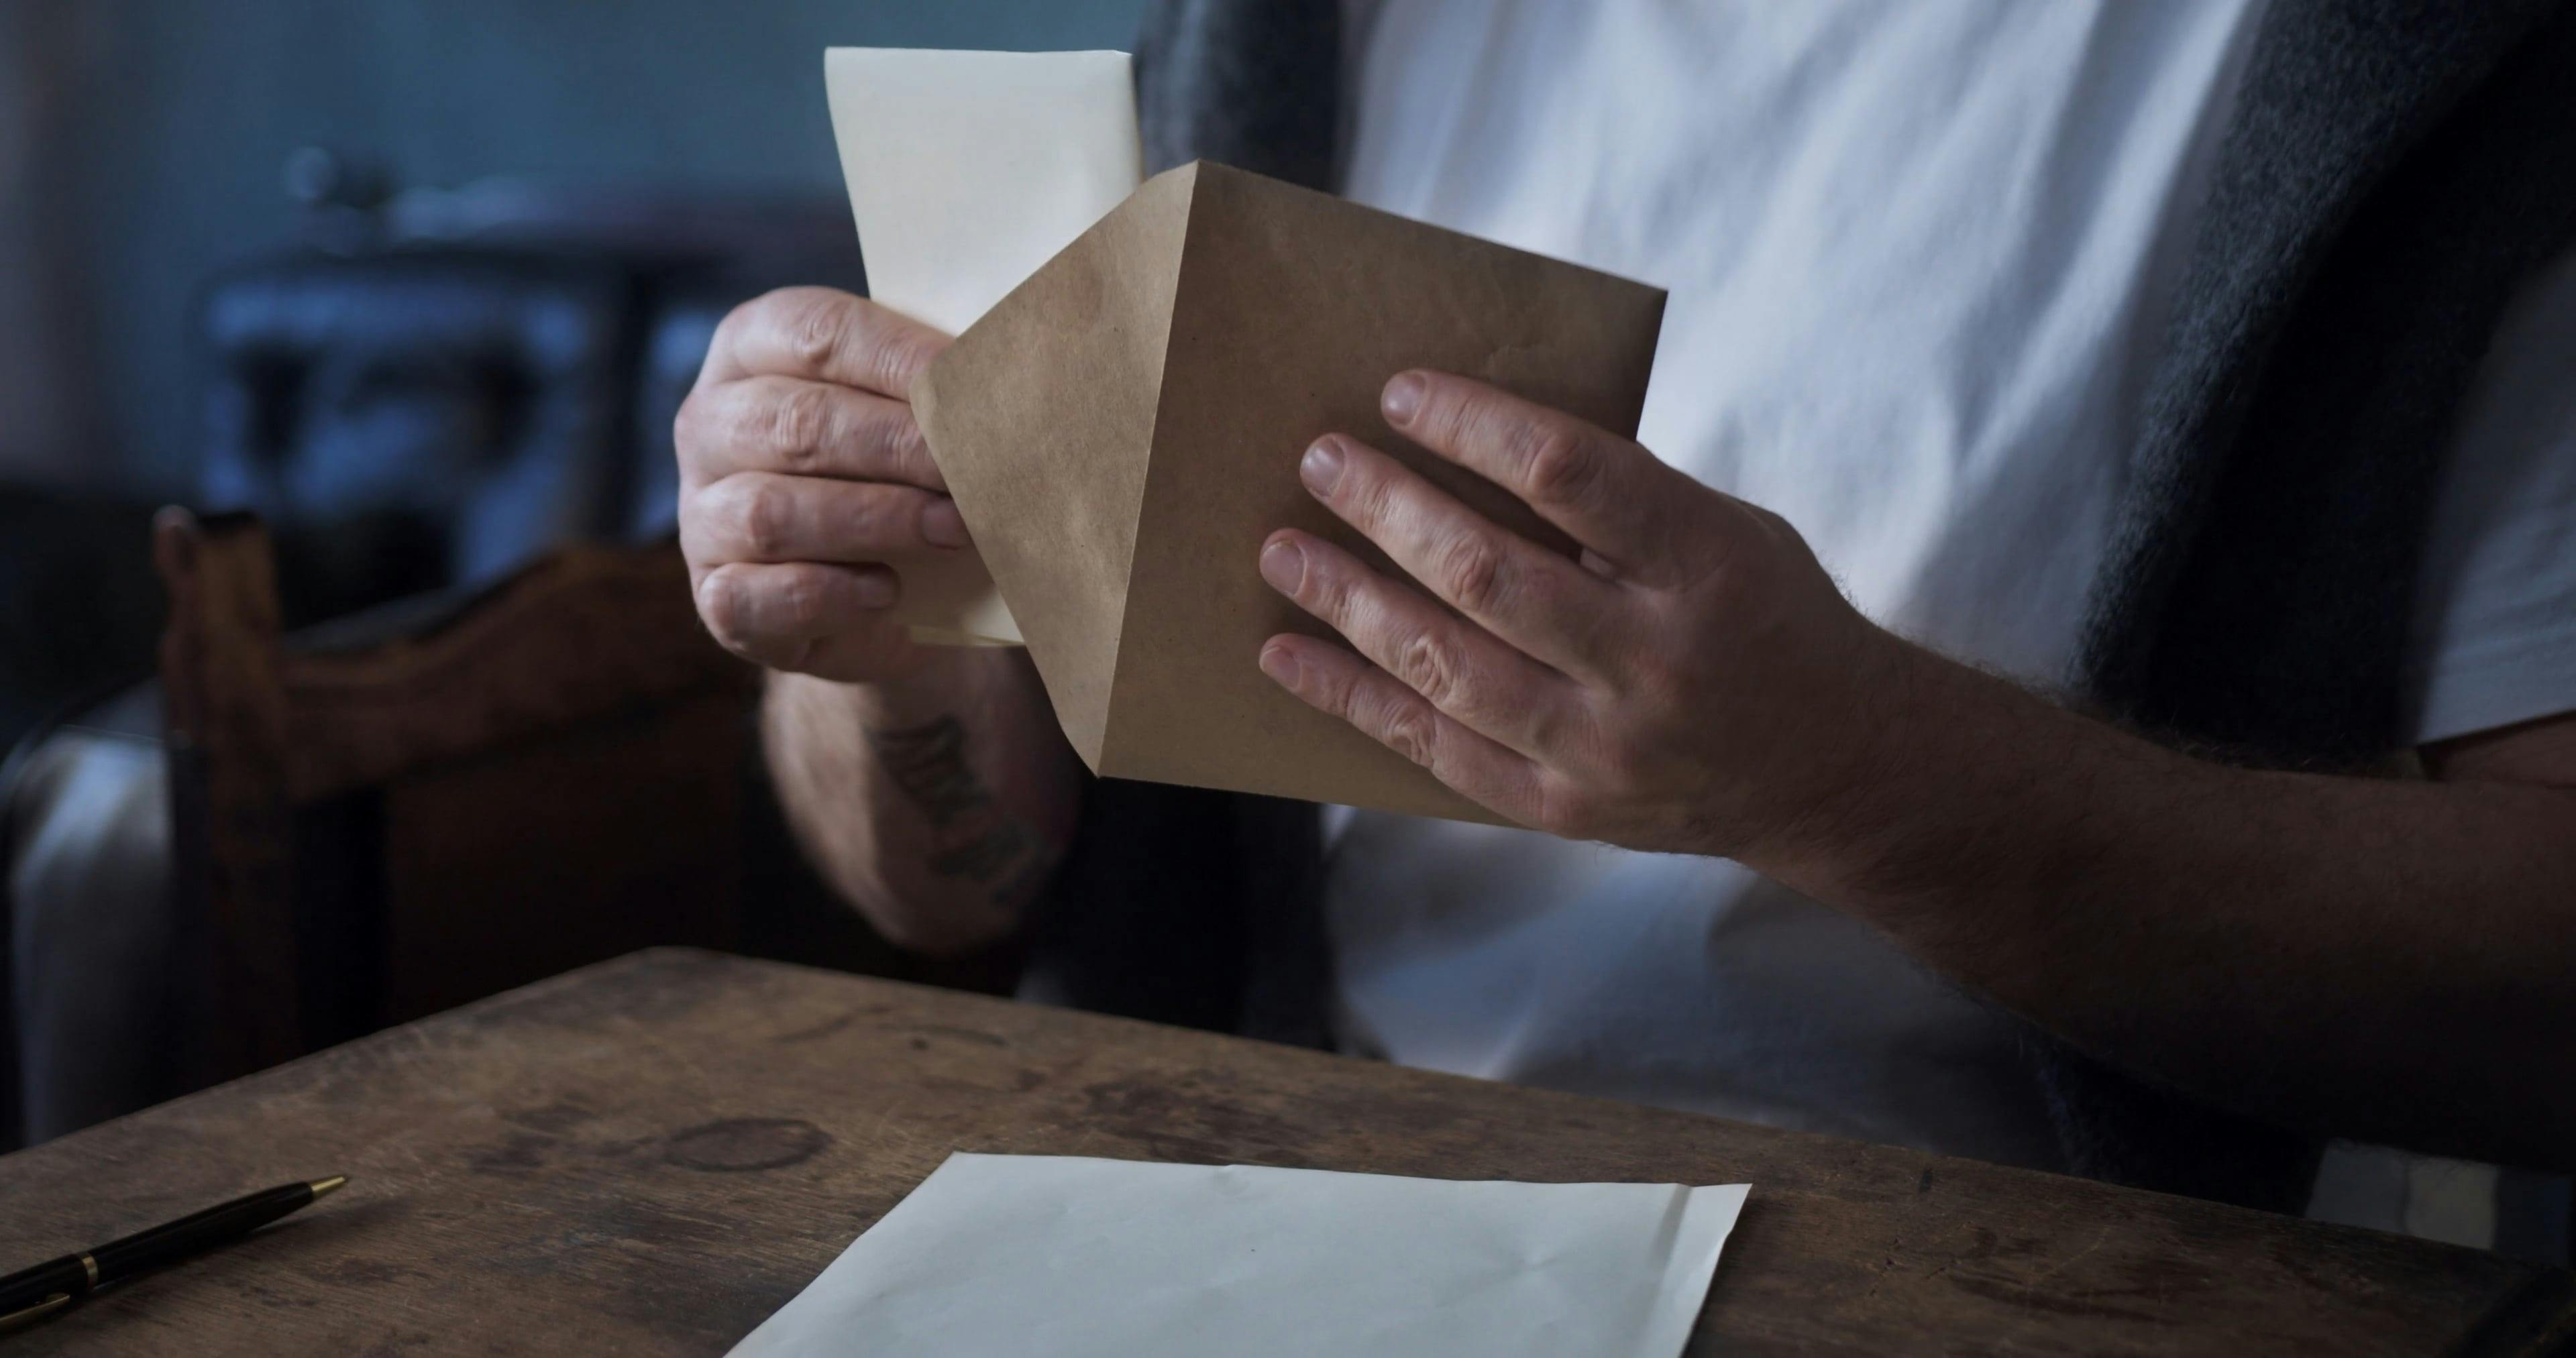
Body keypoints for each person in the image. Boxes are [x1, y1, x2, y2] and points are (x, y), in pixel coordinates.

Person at [674, 0, 2576, 1214]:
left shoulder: (2435, 73)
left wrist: (1866, 780)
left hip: (2040, 1272)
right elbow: (955, 886)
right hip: (1279, 1212)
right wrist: (881, 658)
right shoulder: (1273, 34)